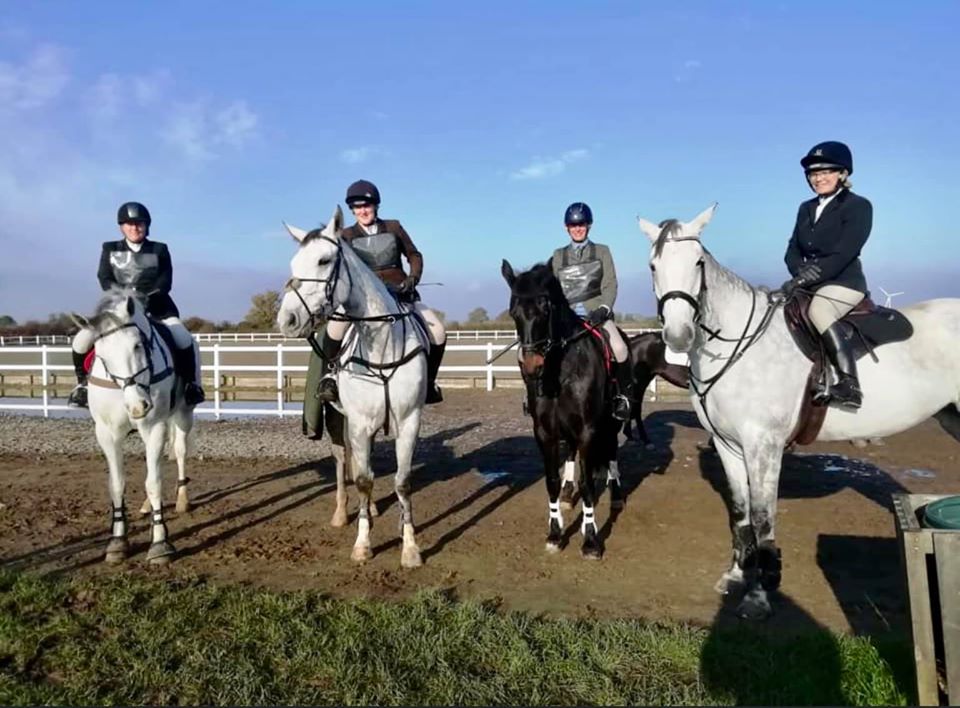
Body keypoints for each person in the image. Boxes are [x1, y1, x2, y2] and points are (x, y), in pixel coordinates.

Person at [313, 179, 446, 405]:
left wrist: (413, 278)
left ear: (375, 206)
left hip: (400, 294)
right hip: (362, 300)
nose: (362, 211)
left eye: (366, 205)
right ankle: (330, 378)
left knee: (439, 332)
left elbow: (414, 255)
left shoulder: (394, 227)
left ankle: (429, 383)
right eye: (357, 207)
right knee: (332, 332)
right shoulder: (345, 235)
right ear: (352, 210)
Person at [67, 201, 206, 408]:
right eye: (129, 224)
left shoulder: (159, 249)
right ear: (121, 226)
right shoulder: (109, 248)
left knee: (183, 338)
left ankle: (190, 385)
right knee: (82, 339)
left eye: (139, 223)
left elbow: (165, 282)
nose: (134, 228)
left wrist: (144, 299)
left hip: (157, 307)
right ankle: (82, 386)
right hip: (118, 310)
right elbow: (104, 277)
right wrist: (122, 299)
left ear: (146, 225)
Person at [780, 140, 872, 410]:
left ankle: (849, 384)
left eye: (825, 172)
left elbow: (844, 253)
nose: (818, 178)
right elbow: (792, 250)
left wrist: (806, 278)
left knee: (819, 311)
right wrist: (799, 272)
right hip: (808, 282)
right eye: (814, 174)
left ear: (842, 174)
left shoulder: (858, 206)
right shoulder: (805, 208)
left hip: (844, 282)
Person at [549, 202, 633, 421]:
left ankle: (622, 397)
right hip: (567, 319)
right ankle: (537, 396)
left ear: (589, 225)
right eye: (573, 224)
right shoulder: (558, 256)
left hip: (596, 315)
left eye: (582, 224)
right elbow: (554, 289)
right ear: (566, 227)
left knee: (620, 348)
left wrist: (604, 308)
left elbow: (610, 284)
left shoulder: (602, 251)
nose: (578, 228)